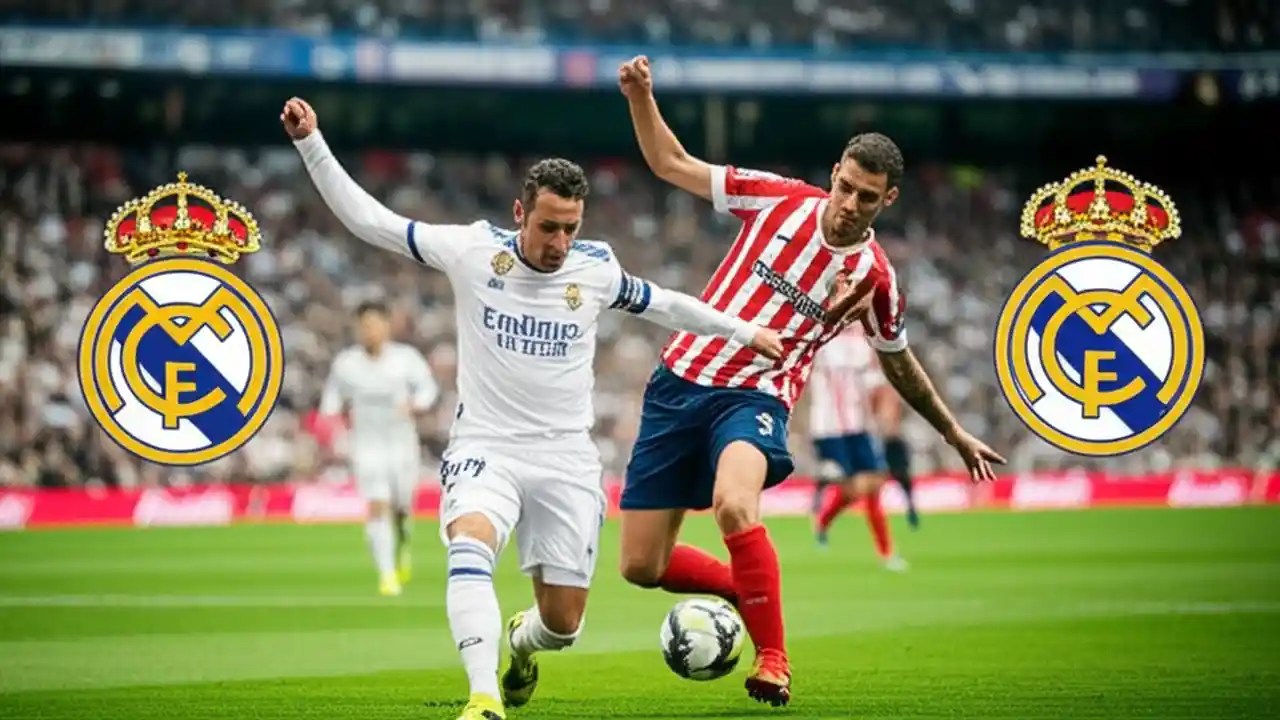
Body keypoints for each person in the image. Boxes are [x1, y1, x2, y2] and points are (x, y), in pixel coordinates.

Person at [282, 97, 783, 720]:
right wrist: (312, 143)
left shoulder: (595, 270)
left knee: (563, 623)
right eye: (549, 227)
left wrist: (741, 331)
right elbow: (371, 221)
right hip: (485, 448)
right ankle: (483, 695)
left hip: (566, 457)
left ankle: (522, 643)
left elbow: (667, 304)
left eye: (571, 227)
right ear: (520, 212)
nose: (560, 241)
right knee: (470, 544)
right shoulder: (470, 251)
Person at [614, 56, 1006, 707]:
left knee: (737, 504)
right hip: (679, 383)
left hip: (756, 398)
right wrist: (640, 97)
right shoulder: (777, 199)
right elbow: (671, 163)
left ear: (889, 200)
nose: (850, 205)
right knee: (640, 566)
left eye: (867, 196)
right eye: (846, 187)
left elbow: (898, 359)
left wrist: (953, 430)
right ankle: (750, 588)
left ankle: (774, 659)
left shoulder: (876, 276)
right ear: (834, 175)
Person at [320, 300, 438, 597]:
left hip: (401, 443)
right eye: (364, 325)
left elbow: (428, 389)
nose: (369, 331)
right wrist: (334, 422)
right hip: (366, 445)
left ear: (387, 325)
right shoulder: (346, 364)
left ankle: (403, 538)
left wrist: (416, 404)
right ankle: (387, 576)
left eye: (374, 324)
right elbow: (331, 401)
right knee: (377, 504)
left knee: (400, 506)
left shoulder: (406, 358)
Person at [808, 321, 908, 570]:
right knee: (856, 488)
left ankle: (886, 553)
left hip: (859, 426)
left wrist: (884, 415)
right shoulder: (820, 332)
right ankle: (824, 521)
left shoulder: (864, 340)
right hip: (828, 426)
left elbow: (877, 386)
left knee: (873, 485)